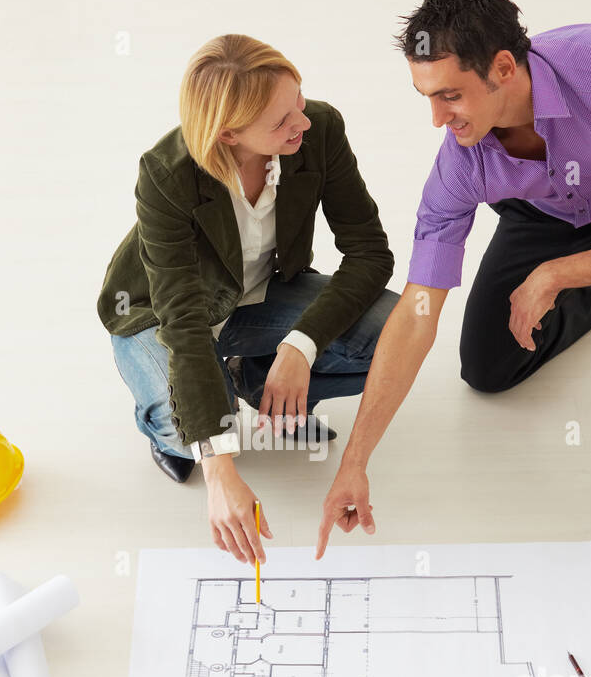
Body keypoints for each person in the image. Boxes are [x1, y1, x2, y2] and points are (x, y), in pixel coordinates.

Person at [317, 0, 591, 575]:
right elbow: (419, 307)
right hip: (545, 214)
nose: (438, 119)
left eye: (450, 95)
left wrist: (555, 274)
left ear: (502, 68)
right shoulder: (461, 164)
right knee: (488, 368)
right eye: (426, 98)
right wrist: (356, 461)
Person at [97, 34, 399, 565]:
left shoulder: (319, 130)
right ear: (229, 133)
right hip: (163, 315)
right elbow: (183, 322)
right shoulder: (166, 174)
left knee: (397, 333)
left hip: (262, 300)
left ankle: (253, 381)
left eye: (298, 103)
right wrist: (218, 468)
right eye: (282, 121)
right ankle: (173, 428)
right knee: (183, 428)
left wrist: (301, 346)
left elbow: (371, 255)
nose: (301, 124)